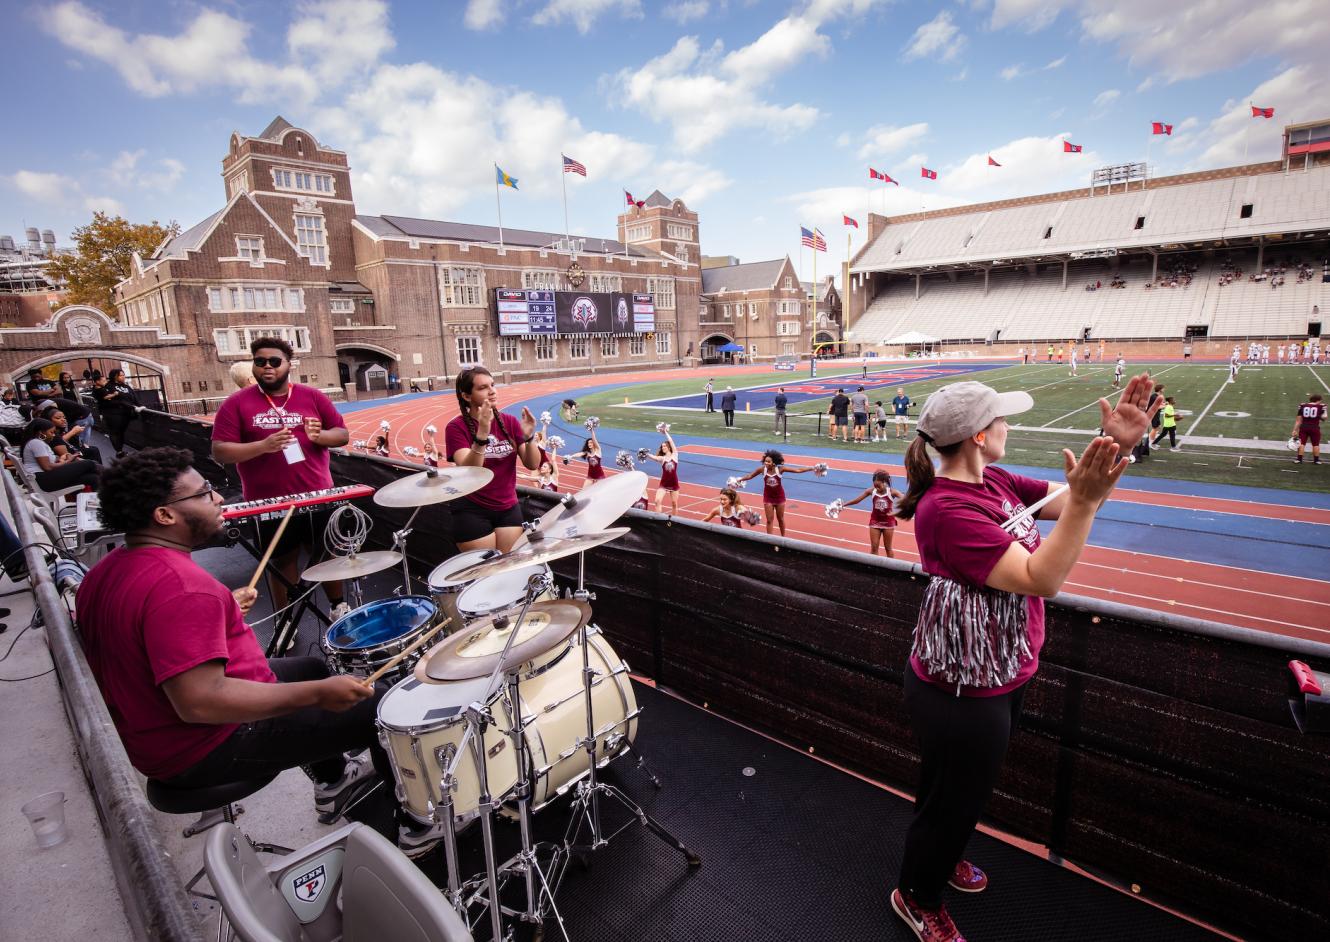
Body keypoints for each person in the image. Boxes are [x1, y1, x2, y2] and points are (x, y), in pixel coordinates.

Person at [74, 448, 442, 857]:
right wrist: (318, 696)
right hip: (205, 746)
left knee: (311, 667)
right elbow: (200, 702)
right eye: (204, 493)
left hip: (156, 736)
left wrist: (221, 609)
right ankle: (418, 826)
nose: (218, 498)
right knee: (382, 707)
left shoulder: (108, 571)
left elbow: (147, 638)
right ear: (164, 515)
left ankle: (333, 781)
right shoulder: (182, 587)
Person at [889, 376, 1156, 942]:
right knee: (954, 800)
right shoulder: (947, 509)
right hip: (960, 690)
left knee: (954, 793)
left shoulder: (997, 480)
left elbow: (1076, 499)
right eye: (1002, 420)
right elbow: (1042, 577)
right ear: (979, 435)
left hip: (1002, 669)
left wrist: (1115, 448)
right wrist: (1085, 499)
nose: (1009, 427)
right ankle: (916, 895)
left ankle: (940, 854)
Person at [211, 338, 351, 618]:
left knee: (326, 554)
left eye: (275, 361)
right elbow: (220, 451)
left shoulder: (312, 396)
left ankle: (338, 606)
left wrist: (319, 436)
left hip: (317, 494)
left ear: (289, 365)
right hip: (268, 501)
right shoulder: (236, 403)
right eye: (260, 361)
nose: (267, 367)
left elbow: (342, 434)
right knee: (281, 560)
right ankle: (285, 619)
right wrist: (263, 446)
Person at [444, 366, 540, 551]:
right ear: (466, 396)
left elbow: (533, 464)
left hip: (508, 507)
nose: (492, 391)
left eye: (493, 385)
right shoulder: (456, 427)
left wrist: (529, 438)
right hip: (472, 508)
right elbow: (471, 472)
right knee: (484, 567)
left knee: (507, 563)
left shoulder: (509, 421)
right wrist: (482, 433)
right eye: (482, 388)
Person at [736, 449, 816, 537]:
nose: (766, 463)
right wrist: (740, 479)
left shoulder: (780, 469)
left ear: (774, 463)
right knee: (769, 520)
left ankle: (783, 538)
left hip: (779, 497)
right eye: (765, 461)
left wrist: (812, 468)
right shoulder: (762, 469)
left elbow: (798, 470)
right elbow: (750, 475)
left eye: (768, 462)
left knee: (780, 519)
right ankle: (769, 539)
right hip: (768, 497)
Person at [21, 418, 100, 492]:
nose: (53, 435)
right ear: (40, 433)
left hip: (42, 479)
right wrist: (68, 461)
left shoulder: (36, 442)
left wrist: (61, 458)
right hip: (42, 480)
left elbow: (47, 461)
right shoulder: (36, 443)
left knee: (93, 478)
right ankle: (107, 477)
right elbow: (47, 467)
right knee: (89, 463)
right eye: (51, 432)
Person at [841, 469, 904, 557]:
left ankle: (891, 565)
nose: (876, 488)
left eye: (878, 486)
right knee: (874, 548)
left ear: (884, 482)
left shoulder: (892, 492)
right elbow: (857, 500)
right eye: (875, 486)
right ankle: (873, 564)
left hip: (888, 522)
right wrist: (844, 504)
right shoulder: (871, 491)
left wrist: (897, 512)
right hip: (875, 522)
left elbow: (906, 500)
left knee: (888, 548)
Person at [92, 368, 140, 459]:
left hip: (125, 413)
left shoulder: (126, 386)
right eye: (121, 375)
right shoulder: (108, 386)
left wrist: (137, 406)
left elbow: (134, 397)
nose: (123, 377)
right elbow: (103, 399)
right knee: (115, 432)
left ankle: (120, 451)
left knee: (121, 432)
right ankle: (119, 451)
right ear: (115, 376)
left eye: (124, 375)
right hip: (112, 413)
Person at [644, 429, 681, 515]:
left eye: (664, 446)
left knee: (674, 504)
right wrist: (646, 454)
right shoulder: (662, 459)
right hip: (664, 483)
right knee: (657, 501)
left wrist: (666, 432)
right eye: (662, 446)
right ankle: (658, 518)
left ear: (669, 447)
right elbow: (654, 457)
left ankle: (674, 520)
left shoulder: (675, 455)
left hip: (674, 483)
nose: (663, 447)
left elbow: (671, 441)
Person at [1294, 393, 1326, 464]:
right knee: (1316, 444)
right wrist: (1325, 410)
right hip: (1314, 427)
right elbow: (1324, 418)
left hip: (1304, 427)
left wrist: (1295, 430)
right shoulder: (1320, 406)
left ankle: (1299, 459)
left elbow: (1298, 420)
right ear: (1318, 400)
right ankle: (1316, 460)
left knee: (1302, 443)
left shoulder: (1302, 406)